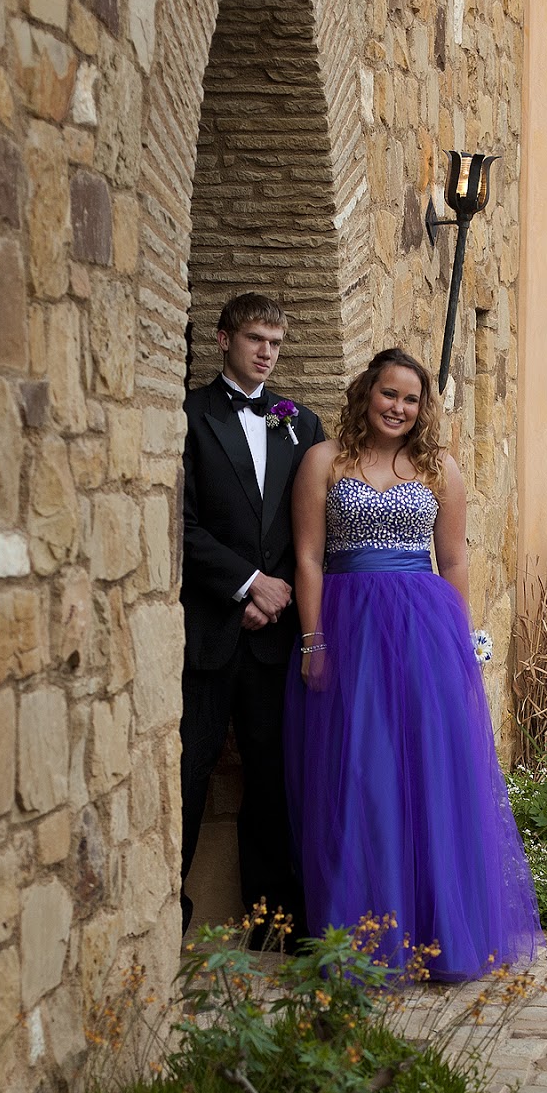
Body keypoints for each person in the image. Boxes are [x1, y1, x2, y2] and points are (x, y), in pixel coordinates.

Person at [283, 347, 540, 980]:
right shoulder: (324, 461)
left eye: (411, 399)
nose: (398, 407)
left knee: (427, 772)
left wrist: (460, 642)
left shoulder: (437, 467)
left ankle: (437, 934)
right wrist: (314, 640)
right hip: (350, 627)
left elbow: (453, 561)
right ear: (366, 393)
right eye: (389, 394)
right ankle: (365, 942)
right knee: (360, 775)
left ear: (422, 408)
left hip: (423, 630)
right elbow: (308, 558)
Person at [180, 293, 325, 938]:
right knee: (188, 772)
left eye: (275, 343)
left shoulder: (302, 424)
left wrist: (279, 594)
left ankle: (277, 924)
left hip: (277, 636)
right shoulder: (189, 415)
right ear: (223, 340)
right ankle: (168, 916)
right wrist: (246, 586)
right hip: (209, 632)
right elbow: (179, 521)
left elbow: (316, 526)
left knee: (275, 779)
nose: (267, 353)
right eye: (254, 340)